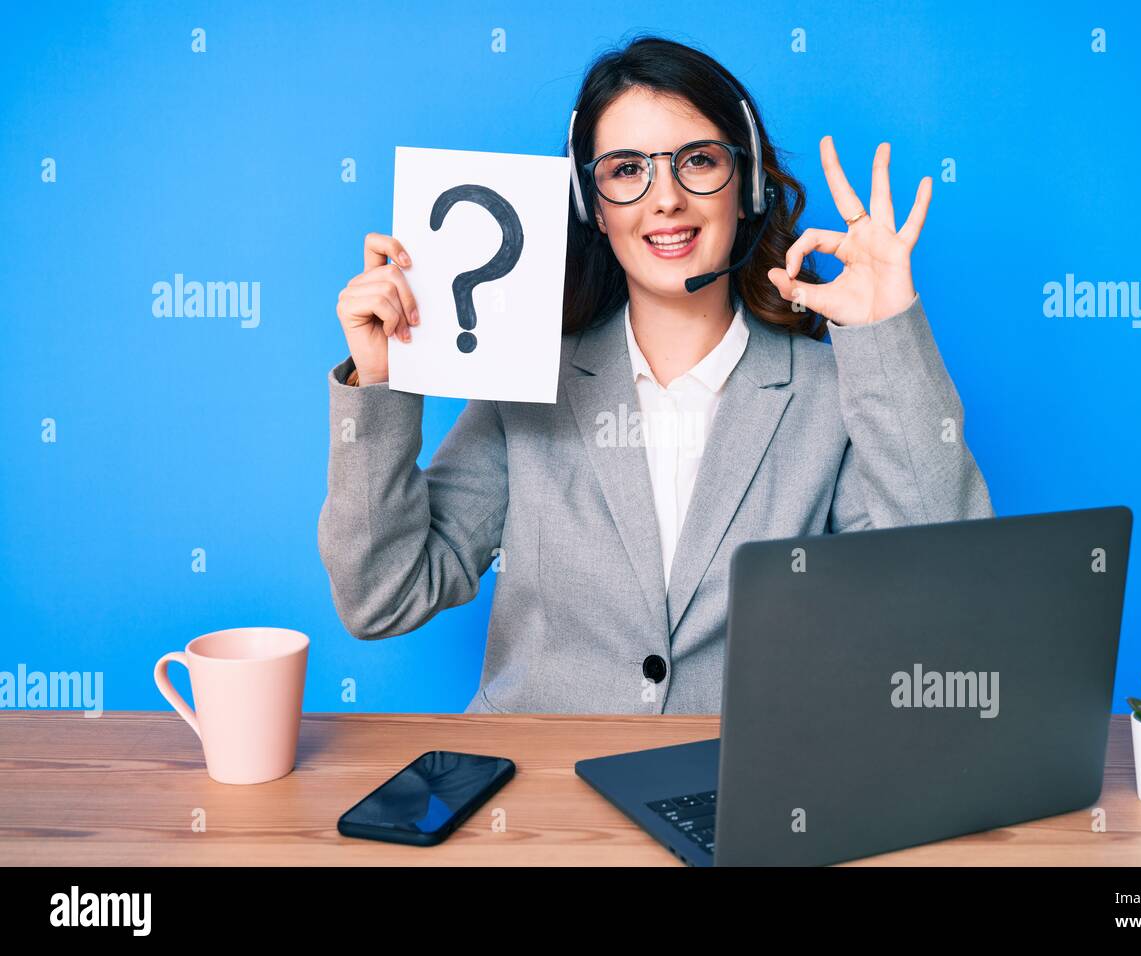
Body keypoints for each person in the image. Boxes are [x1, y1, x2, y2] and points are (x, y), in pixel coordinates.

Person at [318, 35, 994, 714]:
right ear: (594, 206)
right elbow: (385, 596)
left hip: (740, 796)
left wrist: (887, 334)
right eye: (626, 170)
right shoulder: (526, 382)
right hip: (543, 801)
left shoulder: (828, 393)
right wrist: (381, 382)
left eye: (698, 161)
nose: (664, 198)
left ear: (748, 182)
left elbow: (944, 598)